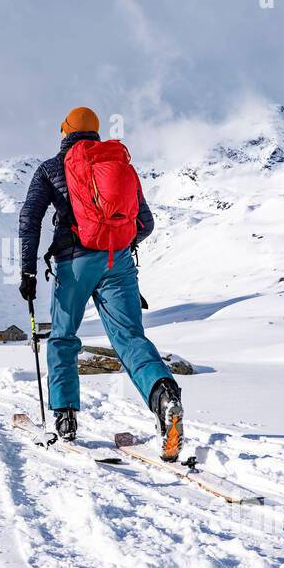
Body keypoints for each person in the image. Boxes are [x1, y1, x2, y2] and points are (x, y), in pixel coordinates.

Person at [17, 106, 184, 459]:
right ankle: (164, 394)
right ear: (94, 132)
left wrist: (28, 272)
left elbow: (30, 218)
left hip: (73, 263)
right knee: (130, 339)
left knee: (63, 338)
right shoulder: (119, 165)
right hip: (118, 262)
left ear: (65, 132)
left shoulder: (51, 168)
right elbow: (146, 222)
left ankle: (64, 419)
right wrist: (118, 243)